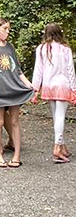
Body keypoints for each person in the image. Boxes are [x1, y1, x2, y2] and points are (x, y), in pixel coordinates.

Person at [0, 16, 34, 168]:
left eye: (8, 29)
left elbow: (17, 70)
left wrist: (29, 84)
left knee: (15, 122)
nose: (7, 32)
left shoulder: (10, 47)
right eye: (5, 29)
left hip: (13, 89)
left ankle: (17, 155)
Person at [31, 23, 76, 163]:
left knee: (56, 116)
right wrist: (74, 89)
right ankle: (57, 147)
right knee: (61, 116)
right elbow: (70, 70)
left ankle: (62, 146)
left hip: (48, 85)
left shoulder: (41, 49)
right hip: (63, 84)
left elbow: (38, 70)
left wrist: (35, 89)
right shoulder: (65, 49)